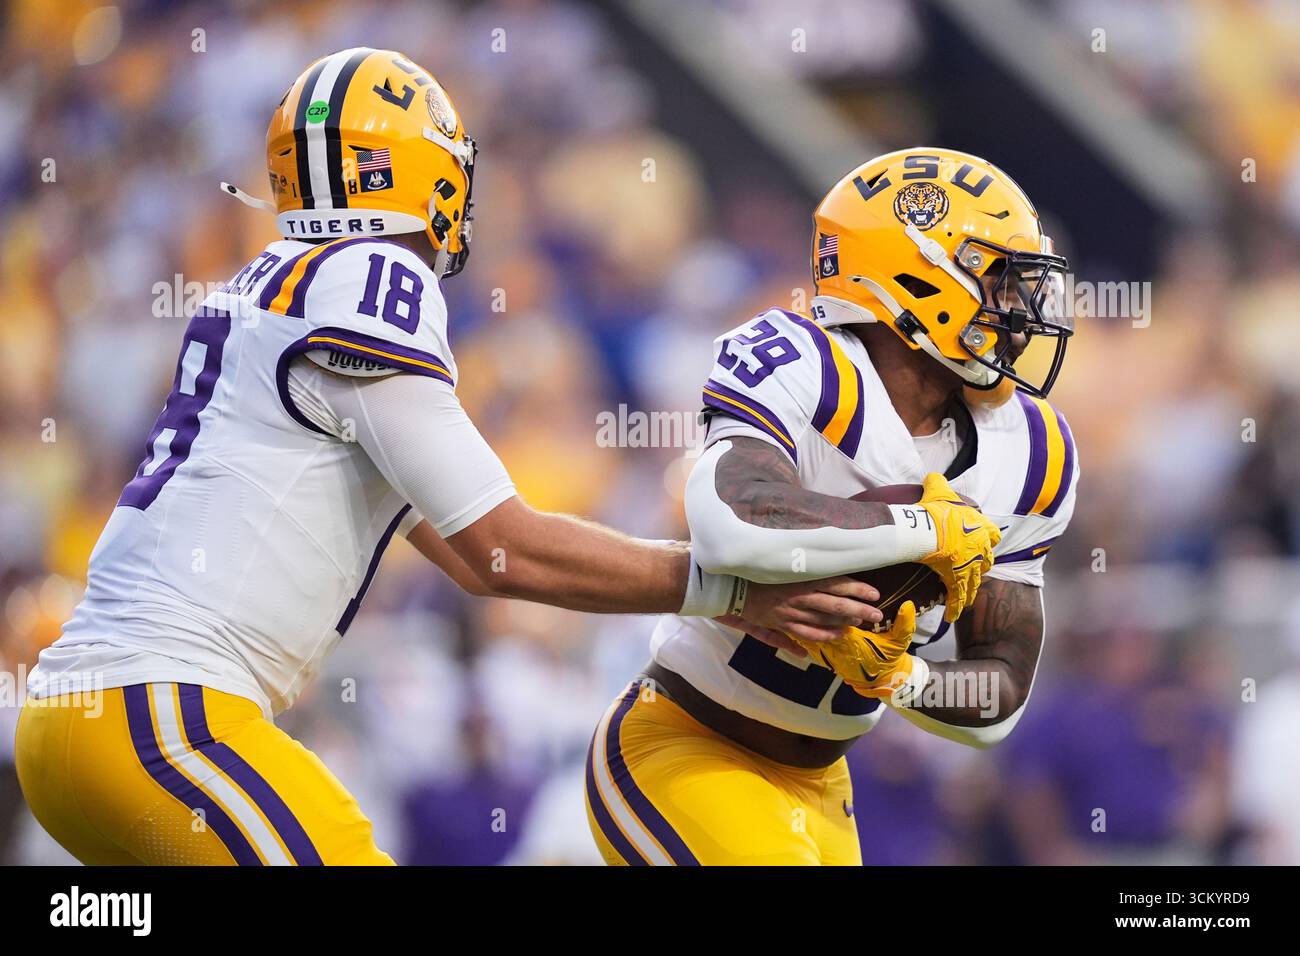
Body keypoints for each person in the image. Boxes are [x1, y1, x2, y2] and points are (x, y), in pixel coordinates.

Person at [13, 48, 881, 866]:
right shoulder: (365, 280)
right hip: (161, 717)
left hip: (90, 724)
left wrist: (719, 599)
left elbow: (473, 550)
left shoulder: (284, 283)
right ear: (409, 171)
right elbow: (503, 548)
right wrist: (736, 589)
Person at [585, 148, 1080, 865]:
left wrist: (896, 677)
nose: (1018, 309)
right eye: (998, 280)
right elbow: (731, 521)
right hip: (684, 742)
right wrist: (919, 530)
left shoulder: (1031, 446)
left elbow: (1000, 694)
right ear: (917, 276)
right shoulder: (805, 365)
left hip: (822, 781)